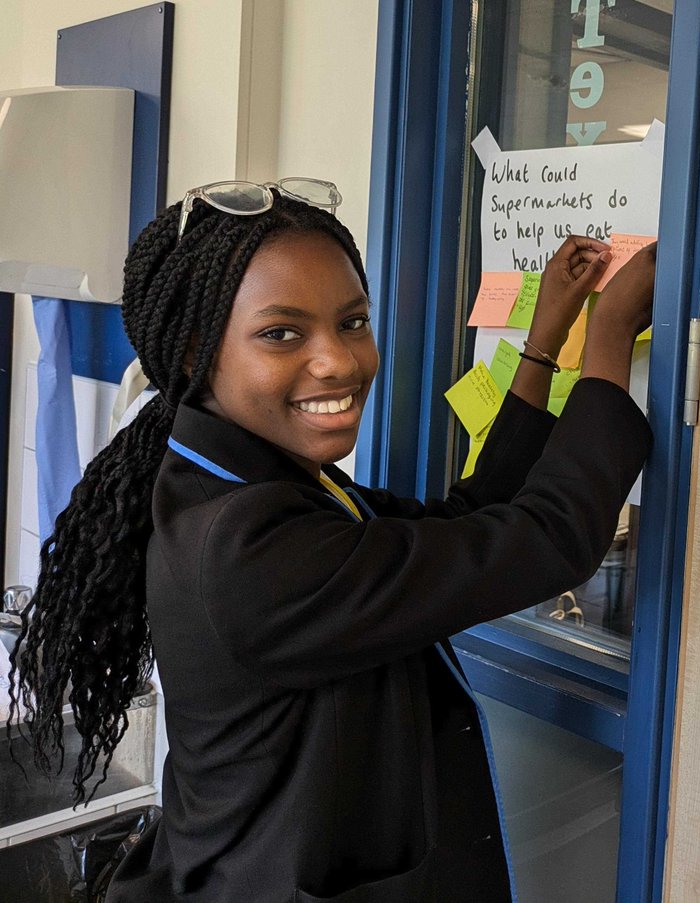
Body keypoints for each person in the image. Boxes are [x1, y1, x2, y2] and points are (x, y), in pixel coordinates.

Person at [6, 182, 654, 902]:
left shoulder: (261, 484)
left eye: (352, 322)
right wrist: (611, 337)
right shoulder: (248, 548)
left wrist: (543, 343)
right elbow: (548, 539)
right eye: (282, 333)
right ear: (194, 351)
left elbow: (464, 518)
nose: (339, 362)